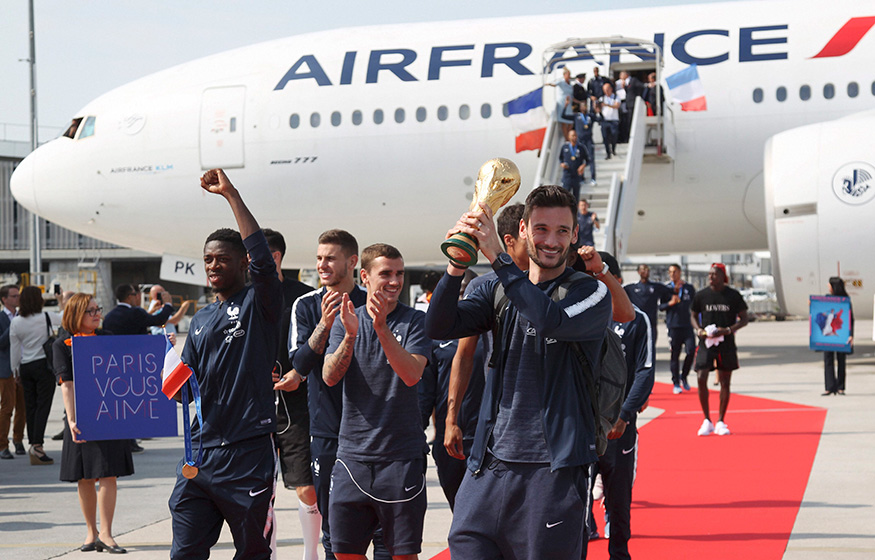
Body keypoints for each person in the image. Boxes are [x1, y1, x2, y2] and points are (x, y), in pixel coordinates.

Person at [426, 185, 612, 560]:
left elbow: (550, 320)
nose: (551, 241)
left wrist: (497, 255)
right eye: (541, 229)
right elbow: (439, 326)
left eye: (562, 231)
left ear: (575, 235)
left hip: (554, 471)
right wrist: (456, 264)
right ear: (524, 229)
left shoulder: (591, 293)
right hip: (488, 468)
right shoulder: (493, 289)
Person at [169, 169, 282, 559]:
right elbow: (188, 392)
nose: (213, 265)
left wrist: (231, 195)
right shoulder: (199, 319)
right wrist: (169, 379)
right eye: (207, 260)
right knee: (184, 552)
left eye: (222, 259)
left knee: (252, 553)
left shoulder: (259, 304)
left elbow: (265, 263)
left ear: (242, 263)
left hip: (247, 454)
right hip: (200, 456)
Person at [323, 243, 431, 560]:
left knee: (403, 554)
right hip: (351, 459)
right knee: (344, 553)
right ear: (365, 277)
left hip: (401, 460)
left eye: (399, 273)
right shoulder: (347, 320)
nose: (395, 281)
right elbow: (330, 376)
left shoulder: (415, 321)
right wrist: (350, 337)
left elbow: (412, 374)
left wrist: (381, 328)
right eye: (386, 273)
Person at [287, 229, 390, 560]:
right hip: (328, 433)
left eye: (330, 258)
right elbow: (300, 364)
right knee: (336, 535)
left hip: (374, 433)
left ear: (352, 261)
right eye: (319, 258)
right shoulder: (306, 305)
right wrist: (325, 324)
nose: (322, 265)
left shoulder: (373, 303)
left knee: (384, 534)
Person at [443, 204, 528, 472]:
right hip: (498, 415)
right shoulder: (484, 287)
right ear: (509, 241)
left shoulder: (555, 281)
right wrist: (451, 419)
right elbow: (464, 354)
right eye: (530, 235)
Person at [53, 293, 133, 553]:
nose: (97, 314)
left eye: (98, 309)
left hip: (109, 413)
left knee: (108, 473)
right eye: (91, 311)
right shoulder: (62, 345)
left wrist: (162, 344)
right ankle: (91, 533)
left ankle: (107, 534)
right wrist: (73, 419)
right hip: (80, 415)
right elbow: (67, 384)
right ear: (76, 314)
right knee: (85, 476)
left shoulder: (107, 338)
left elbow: (133, 362)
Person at [587, 252, 655, 560]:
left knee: (618, 496)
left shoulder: (637, 320)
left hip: (618, 430)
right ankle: (584, 534)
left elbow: (645, 370)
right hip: (582, 427)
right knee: (573, 496)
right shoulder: (577, 315)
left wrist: (624, 415)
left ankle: (619, 551)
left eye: (597, 276)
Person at [263, 227, 321, 560]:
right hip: (255, 405)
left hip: (296, 406)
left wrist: (296, 372)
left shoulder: (303, 297)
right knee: (259, 490)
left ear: (275, 257)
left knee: (305, 484)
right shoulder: (241, 297)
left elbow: (316, 347)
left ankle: (310, 553)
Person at [418, 268, 482, 511]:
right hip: (449, 442)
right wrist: (417, 434)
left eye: (470, 293)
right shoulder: (436, 336)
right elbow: (425, 392)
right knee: (459, 512)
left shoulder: (494, 333)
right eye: (461, 292)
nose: (464, 299)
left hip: (488, 440)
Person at [691, 263, 749, 436]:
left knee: (725, 380)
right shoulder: (702, 295)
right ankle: (706, 420)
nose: (711, 277)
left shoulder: (733, 295)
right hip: (706, 342)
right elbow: (693, 314)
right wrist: (698, 330)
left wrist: (729, 329)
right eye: (709, 274)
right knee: (701, 376)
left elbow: (745, 318)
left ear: (722, 276)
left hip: (726, 342)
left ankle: (721, 420)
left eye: (714, 274)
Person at [9, 286, 62, 465]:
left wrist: (15, 370)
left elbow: (15, 350)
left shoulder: (16, 322)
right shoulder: (45, 317)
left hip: (25, 366)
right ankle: (37, 446)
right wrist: (61, 300)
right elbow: (65, 319)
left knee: (30, 406)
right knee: (43, 406)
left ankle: (34, 444)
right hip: (44, 365)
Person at [659, 264, 697, 394]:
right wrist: (671, 303)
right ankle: (676, 382)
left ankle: (684, 376)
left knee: (691, 351)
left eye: (674, 272)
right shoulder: (666, 289)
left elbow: (695, 306)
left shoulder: (689, 288)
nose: (672, 274)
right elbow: (661, 307)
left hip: (687, 326)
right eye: (670, 272)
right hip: (673, 326)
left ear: (680, 272)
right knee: (675, 354)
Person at [0, 284, 26, 460]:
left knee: (23, 408)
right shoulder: (1, 318)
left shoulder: (23, 317)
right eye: (14, 296)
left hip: (23, 367)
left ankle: (18, 440)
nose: (18, 299)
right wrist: (14, 327)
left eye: (18, 295)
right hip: (6, 369)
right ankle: (2, 445)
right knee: (7, 407)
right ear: (4, 299)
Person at [624, 264, 672, 349]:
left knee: (650, 348)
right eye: (643, 269)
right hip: (636, 324)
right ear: (639, 272)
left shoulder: (656, 287)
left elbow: (671, 290)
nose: (646, 271)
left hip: (651, 324)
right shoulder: (631, 288)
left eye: (647, 269)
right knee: (635, 348)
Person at [821, 276, 853, 395]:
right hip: (829, 334)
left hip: (841, 333)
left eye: (829, 285)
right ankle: (829, 387)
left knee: (841, 360)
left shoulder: (845, 301)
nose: (828, 287)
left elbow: (850, 319)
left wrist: (851, 335)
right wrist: (811, 304)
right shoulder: (826, 299)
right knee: (828, 360)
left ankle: (840, 387)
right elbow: (819, 310)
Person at [103, 284, 174, 336]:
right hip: (136, 353)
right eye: (135, 294)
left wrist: (152, 311)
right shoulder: (135, 313)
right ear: (129, 297)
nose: (136, 297)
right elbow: (159, 320)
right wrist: (168, 304)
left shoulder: (108, 317)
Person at [547, 66, 576, 136]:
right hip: (562, 104)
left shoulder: (570, 84)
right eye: (568, 75)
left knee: (570, 123)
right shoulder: (561, 82)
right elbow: (554, 84)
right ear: (564, 75)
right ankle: (566, 138)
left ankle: (568, 137)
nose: (569, 76)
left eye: (569, 74)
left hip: (569, 105)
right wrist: (548, 84)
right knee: (563, 122)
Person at [559, 129, 586, 202]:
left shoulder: (581, 147)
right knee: (565, 196)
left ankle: (574, 212)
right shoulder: (565, 147)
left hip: (577, 175)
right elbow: (560, 158)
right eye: (572, 135)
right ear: (569, 137)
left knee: (575, 197)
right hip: (567, 175)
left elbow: (588, 160)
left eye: (575, 135)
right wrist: (562, 164)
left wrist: (583, 166)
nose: (574, 137)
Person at [599, 82, 621, 159]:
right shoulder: (602, 98)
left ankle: (613, 148)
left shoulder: (616, 97)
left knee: (614, 134)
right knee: (605, 137)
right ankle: (608, 153)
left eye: (607, 89)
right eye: (605, 90)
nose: (606, 91)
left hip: (613, 120)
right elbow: (598, 109)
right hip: (605, 120)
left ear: (611, 89)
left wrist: (607, 105)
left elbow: (617, 106)